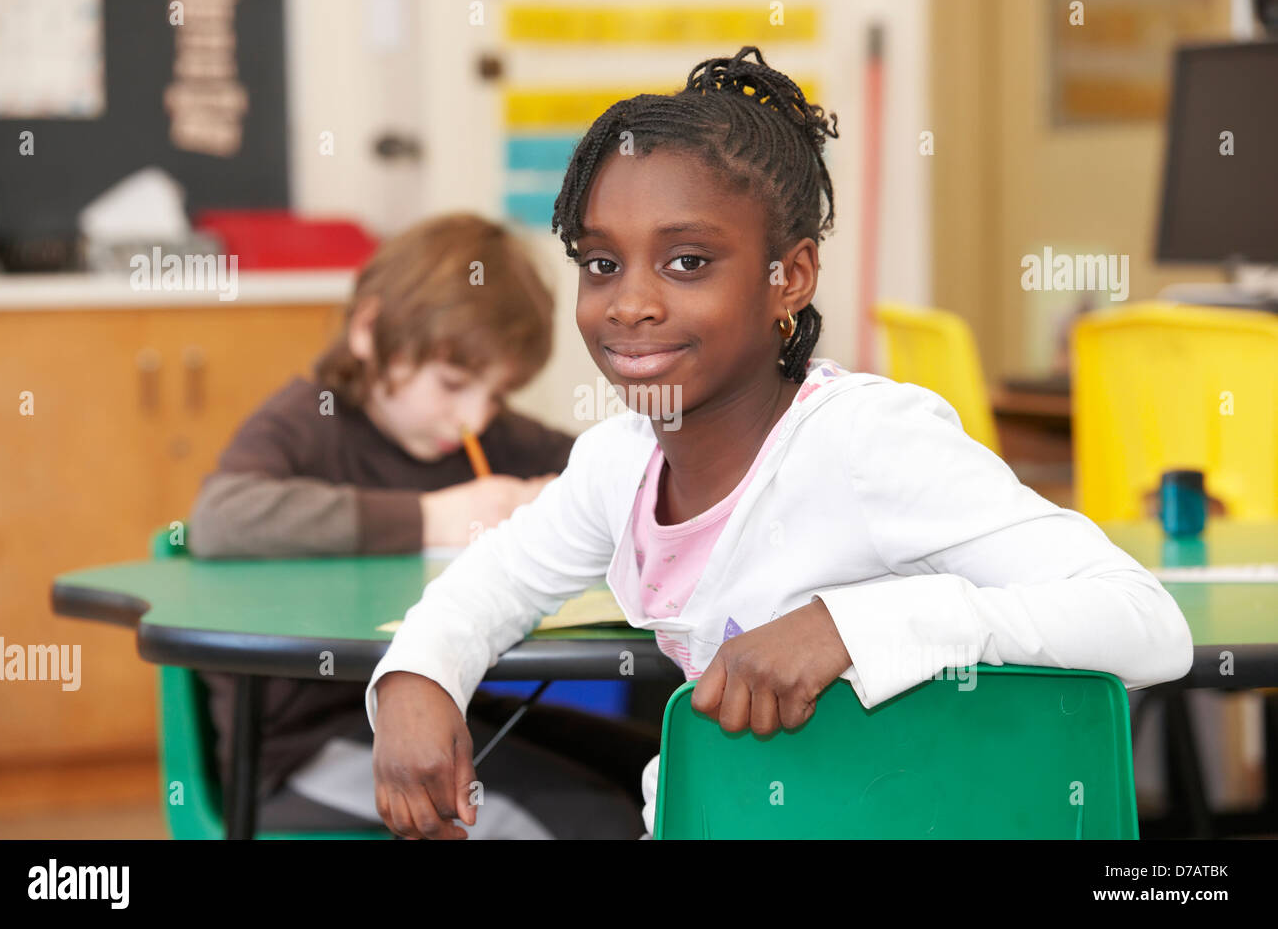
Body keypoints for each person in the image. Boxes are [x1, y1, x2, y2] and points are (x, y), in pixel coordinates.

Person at [365, 47, 1195, 839]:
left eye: (688, 262)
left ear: (788, 277)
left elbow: (1144, 623)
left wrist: (847, 625)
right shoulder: (620, 464)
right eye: (601, 263)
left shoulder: (865, 442)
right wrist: (417, 675)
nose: (629, 304)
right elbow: (493, 579)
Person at [188, 212, 658, 838]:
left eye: (496, 394)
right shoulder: (307, 422)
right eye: (455, 383)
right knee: (594, 823)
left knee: (654, 769)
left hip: (455, 705)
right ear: (368, 330)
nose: (473, 417)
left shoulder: (486, 434)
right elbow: (220, 520)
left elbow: (617, 471)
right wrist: (432, 516)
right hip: (302, 745)